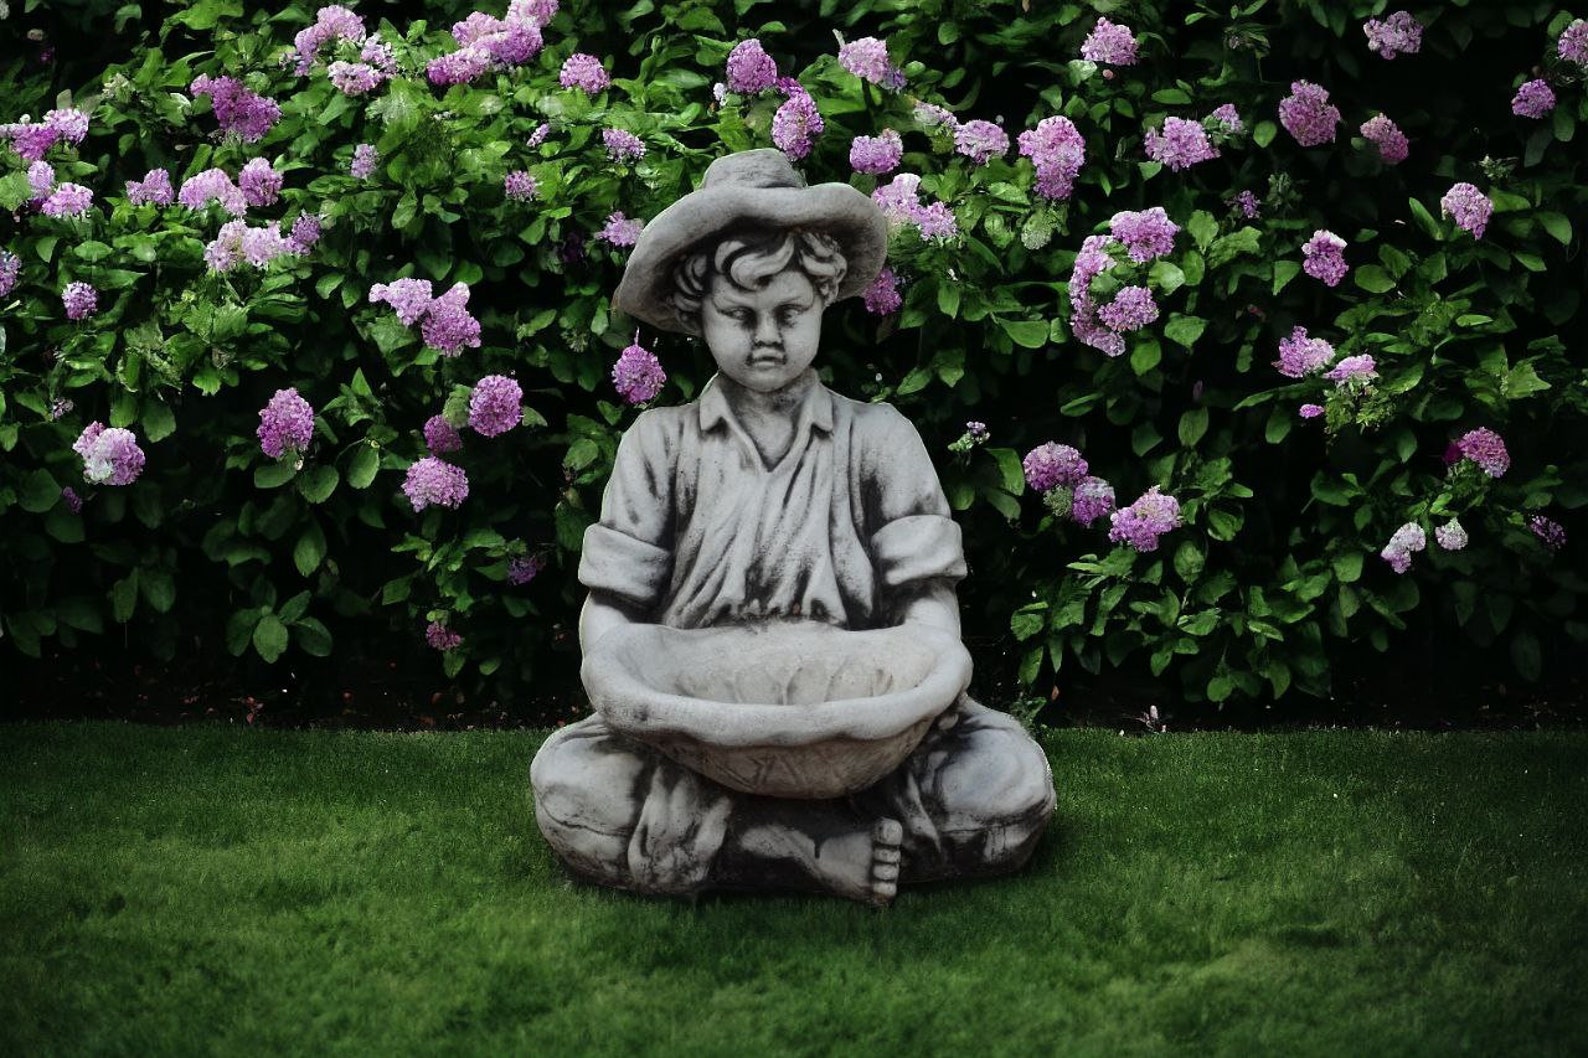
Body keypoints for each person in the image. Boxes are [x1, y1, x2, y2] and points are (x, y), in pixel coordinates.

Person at [530, 150, 1054, 904]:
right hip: (698, 727)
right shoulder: (661, 443)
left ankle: (741, 842)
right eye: (739, 316)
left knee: (1008, 784)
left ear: (825, 300)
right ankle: (797, 845)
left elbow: (928, 606)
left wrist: (912, 695)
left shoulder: (879, 437)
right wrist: (638, 697)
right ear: (696, 315)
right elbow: (612, 610)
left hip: (862, 721)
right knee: (572, 785)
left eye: (791, 313)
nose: (766, 336)